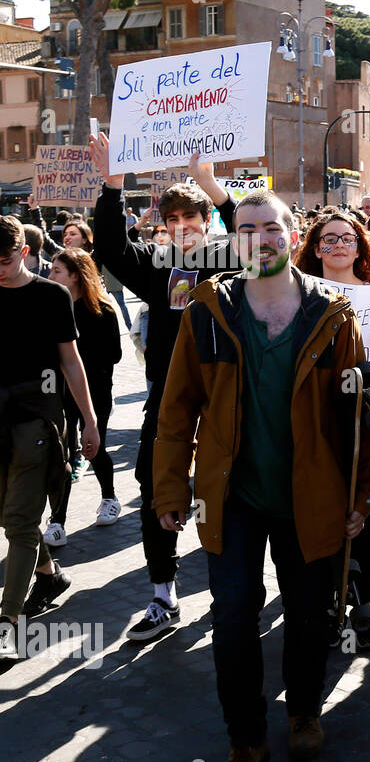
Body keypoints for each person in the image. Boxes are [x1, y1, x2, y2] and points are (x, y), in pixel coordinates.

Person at [152, 190, 370, 762]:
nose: (261, 238)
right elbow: (176, 409)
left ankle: (304, 710)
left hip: (312, 494)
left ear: (292, 231)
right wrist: (169, 486)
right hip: (232, 497)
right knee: (231, 620)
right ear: (234, 237)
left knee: (310, 616)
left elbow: (356, 414)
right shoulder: (207, 312)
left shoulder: (334, 314)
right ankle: (244, 741)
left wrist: (363, 493)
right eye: (247, 227)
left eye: (272, 227)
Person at [87, 135, 239, 644]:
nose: (181, 229)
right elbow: (110, 245)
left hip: (226, 395)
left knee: (231, 489)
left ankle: (233, 595)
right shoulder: (154, 264)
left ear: (206, 221)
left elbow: (259, 239)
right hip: (169, 396)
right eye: (170, 222)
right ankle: (162, 595)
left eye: (189, 219)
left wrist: (211, 185)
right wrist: (112, 184)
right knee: (157, 488)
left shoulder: (228, 256)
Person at [295, 210, 370, 650]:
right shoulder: (299, 298)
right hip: (315, 420)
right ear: (314, 248)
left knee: (367, 516)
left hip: (369, 421)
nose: (339, 245)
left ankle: (364, 601)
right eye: (328, 239)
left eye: (348, 238)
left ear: (361, 247)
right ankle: (324, 600)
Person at [0, 216, 101, 658]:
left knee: (20, 522)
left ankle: (8, 622)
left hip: (36, 423)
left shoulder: (51, 295)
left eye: (3, 260)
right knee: (8, 516)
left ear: (24, 252)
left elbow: (70, 362)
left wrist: (90, 421)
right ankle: (49, 571)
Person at [38, 248, 122, 555]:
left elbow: (115, 354)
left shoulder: (102, 309)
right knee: (63, 454)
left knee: (92, 447)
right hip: (58, 392)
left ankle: (110, 498)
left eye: (58, 271)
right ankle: (57, 521)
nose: (51, 276)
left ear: (76, 275)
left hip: (95, 390)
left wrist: (78, 359)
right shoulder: (50, 307)